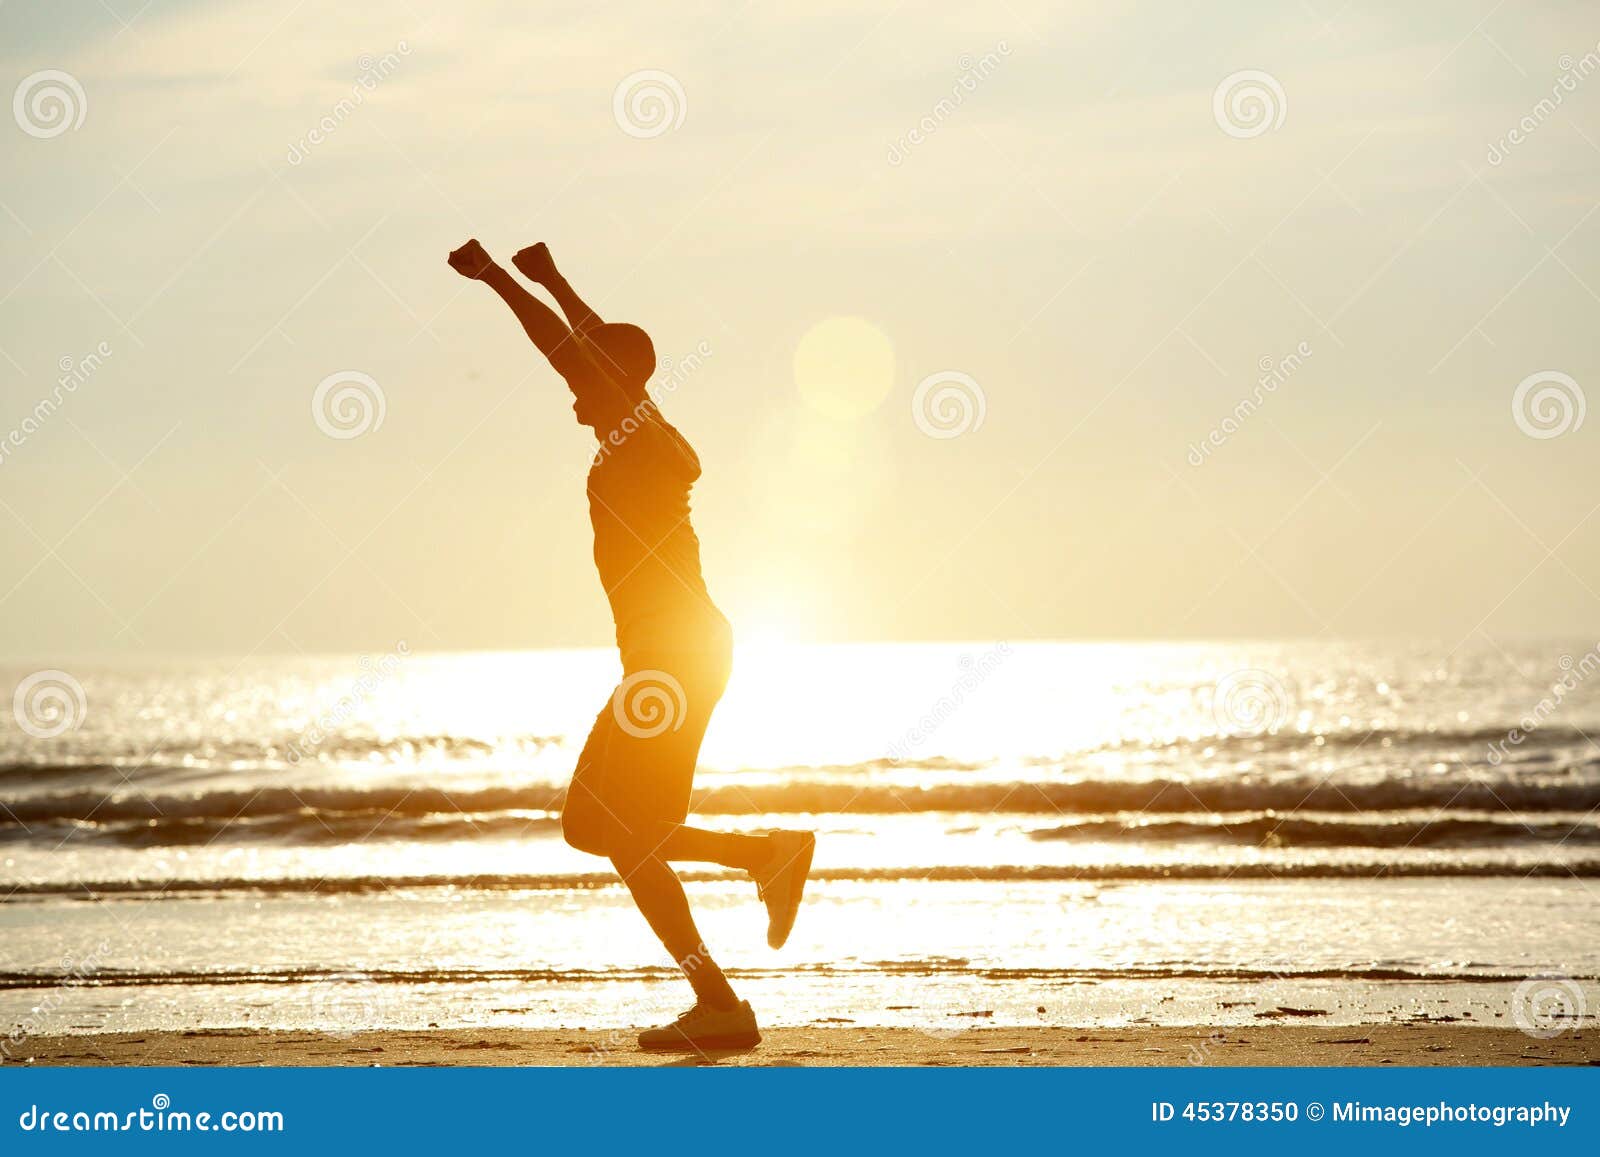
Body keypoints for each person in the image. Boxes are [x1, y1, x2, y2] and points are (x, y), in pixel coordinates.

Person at [448, 239, 815, 1050]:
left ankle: (720, 1004)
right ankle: (763, 855)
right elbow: (598, 351)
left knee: (626, 836)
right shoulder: (641, 426)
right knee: (590, 822)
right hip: (667, 662)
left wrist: (504, 283)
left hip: (672, 663)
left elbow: (574, 352)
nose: (572, 396)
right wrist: (556, 279)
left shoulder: (636, 433)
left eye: (586, 378)